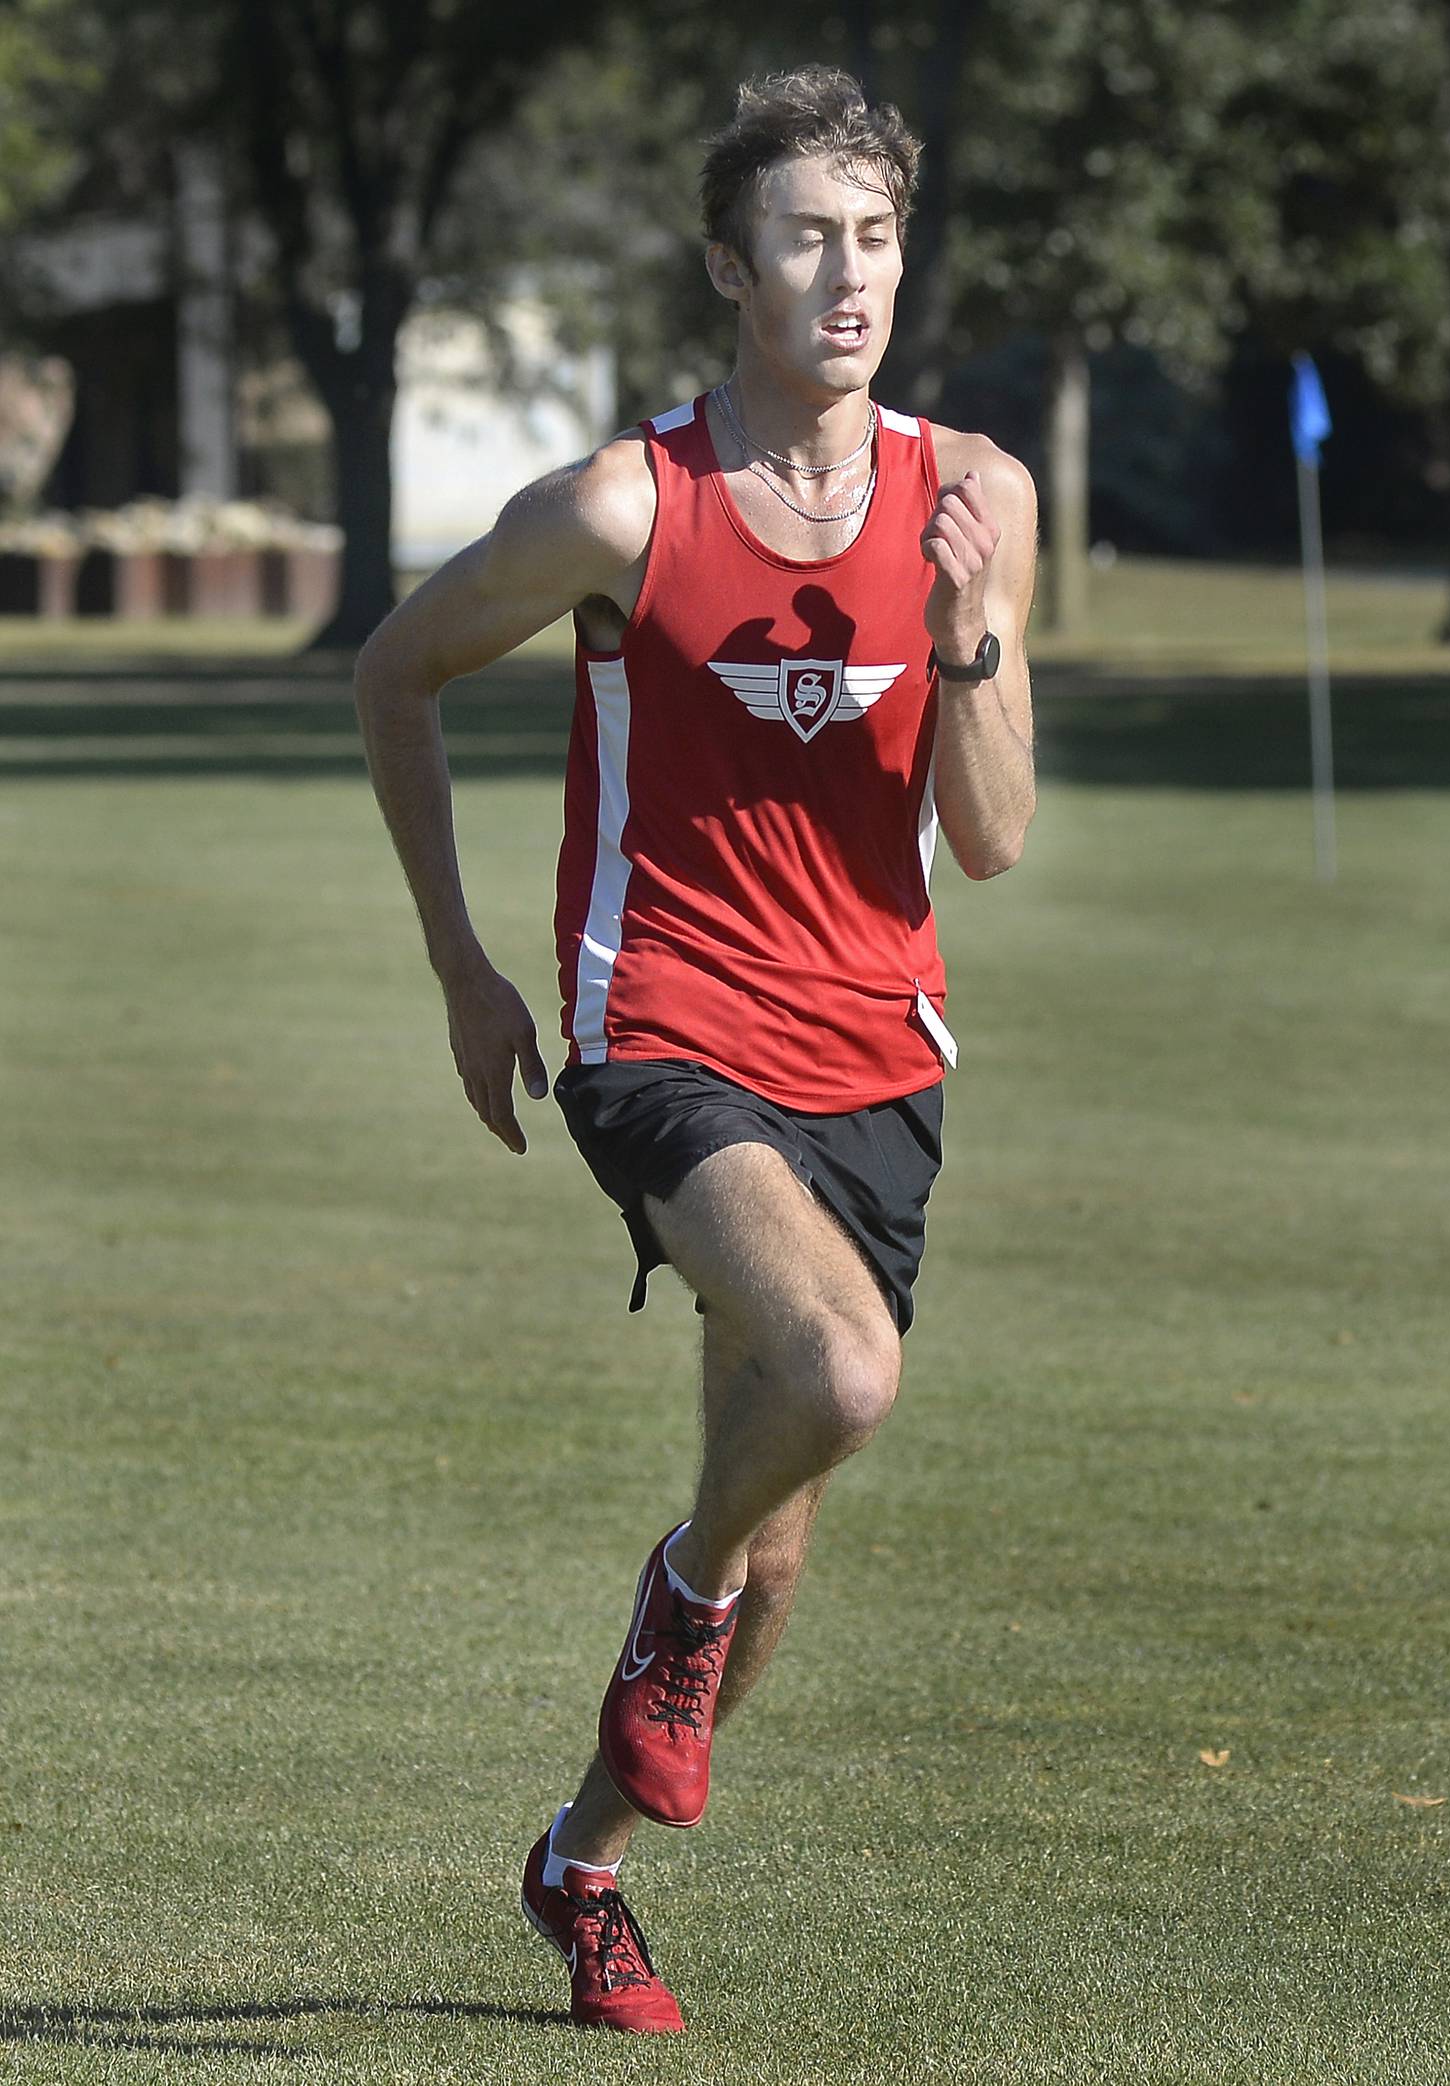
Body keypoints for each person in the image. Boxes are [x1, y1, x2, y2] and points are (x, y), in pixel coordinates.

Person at [353, 63, 1036, 2035]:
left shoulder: (972, 492)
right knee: (842, 1367)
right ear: (731, 265)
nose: (848, 273)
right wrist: (461, 968)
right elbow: (396, 671)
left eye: (877, 235)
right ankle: (683, 1584)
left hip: (879, 1058)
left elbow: (987, 840)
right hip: (658, 1027)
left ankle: (580, 1858)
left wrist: (974, 624)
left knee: (781, 1527)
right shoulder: (617, 506)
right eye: (808, 237)